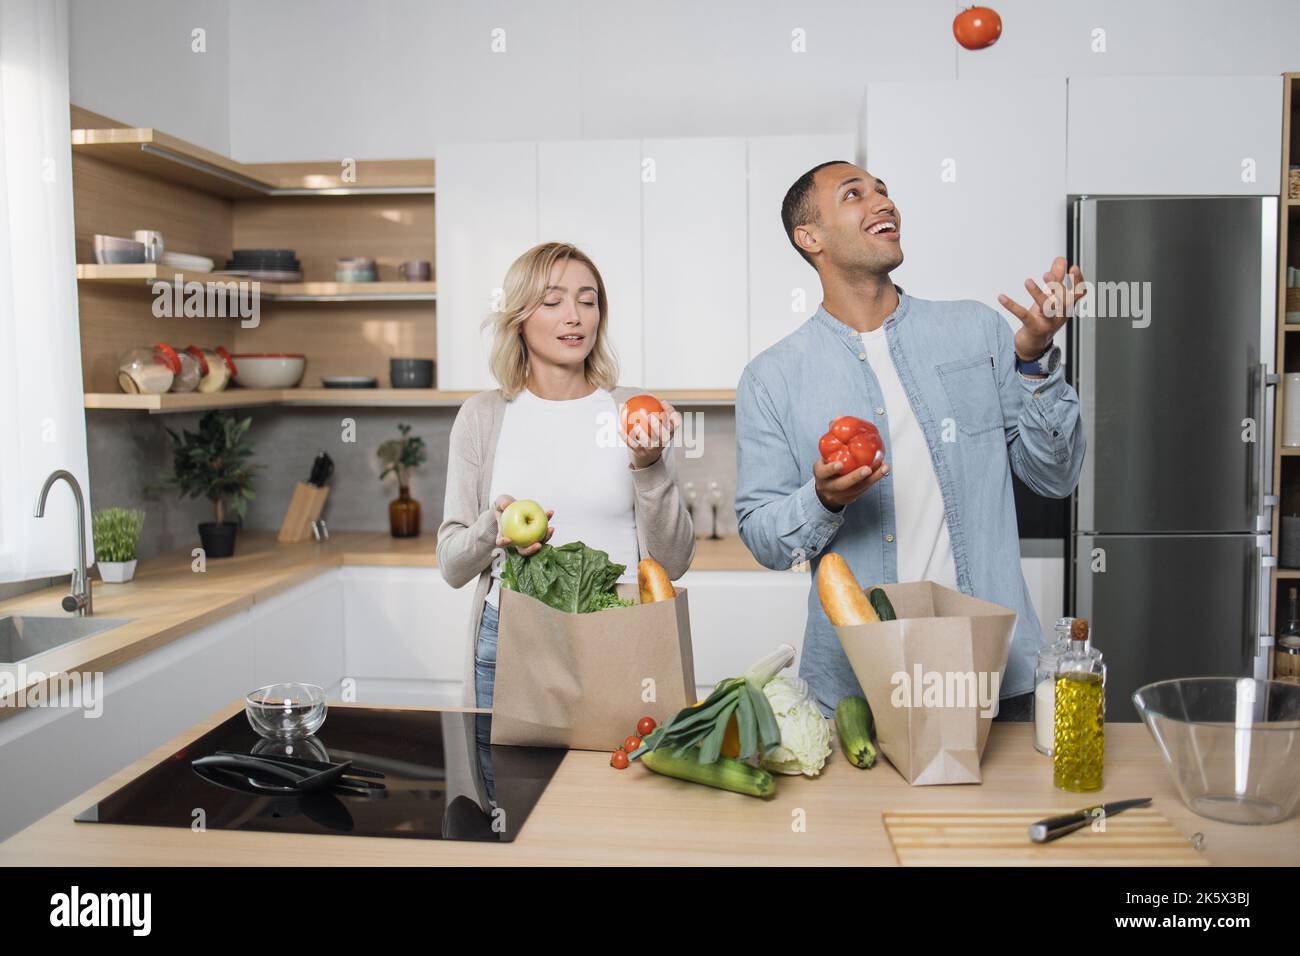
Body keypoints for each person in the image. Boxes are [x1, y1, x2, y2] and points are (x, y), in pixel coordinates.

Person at [734, 160, 1087, 721]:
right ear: (811, 237)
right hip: (860, 689)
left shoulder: (978, 331)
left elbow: (1053, 475)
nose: (883, 202)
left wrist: (1036, 361)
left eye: (885, 191)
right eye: (855, 194)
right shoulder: (772, 377)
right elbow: (765, 541)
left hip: (993, 673)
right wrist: (822, 500)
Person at [437, 241, 696, 722]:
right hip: (511, 641)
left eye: (588, 299)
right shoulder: (482, 417)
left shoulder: (636, 412)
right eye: (552, 301)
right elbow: (452, 565)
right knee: (511, 793)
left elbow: (674, 562)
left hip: (620, 635)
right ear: (518, 316)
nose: (574, 316)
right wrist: (490, 533)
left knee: (619, 792)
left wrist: (650, 464)